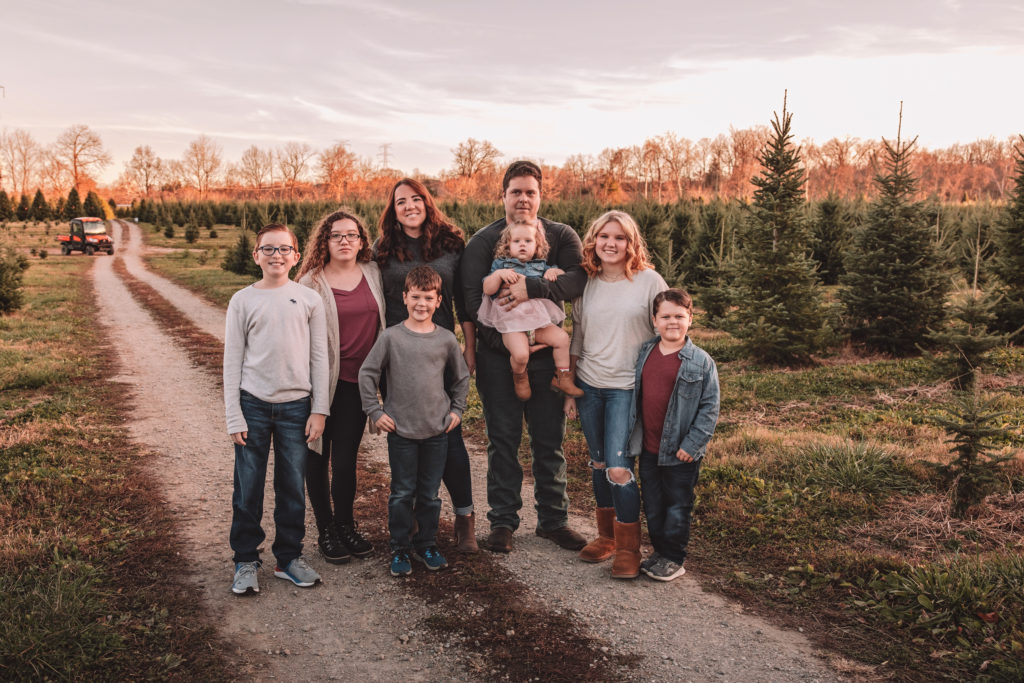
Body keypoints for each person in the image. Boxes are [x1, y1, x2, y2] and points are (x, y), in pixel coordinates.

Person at [461, 160, 587, 553]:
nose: (523, 198)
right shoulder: (485, 242)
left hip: (548, 356)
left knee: (549, 441)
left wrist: (532, 288)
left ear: (540, 195)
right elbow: (468, 299)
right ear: (502, 195)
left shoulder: (561, 235)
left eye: (530, 191)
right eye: (515, 191)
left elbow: (576, 279)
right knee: (503, 440)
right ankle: (503, 523)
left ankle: (554, 520)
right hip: (501, 356)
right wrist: (508, 345)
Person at [374, 178, 479, 552]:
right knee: (409, 436)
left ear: (427, 202)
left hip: (442, 351)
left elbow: (465, 300)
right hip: (400, 355)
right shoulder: (382, 250)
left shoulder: (451, 244)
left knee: (449, 436)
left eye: (416, 199)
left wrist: (469, 344)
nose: (409, 206)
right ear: (393, 209)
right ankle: (416, 518)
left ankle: (465, 517)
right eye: (401, 201)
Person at [224, 223, 329, 594]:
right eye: (268, 249)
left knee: (291, 487)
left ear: (296, 256)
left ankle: (288, 558)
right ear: (256, 256)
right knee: (247, 487)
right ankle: (246, 560)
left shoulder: (308, 300)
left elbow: (320, 358)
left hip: (296, 409)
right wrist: (233, 413)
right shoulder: (243, 300)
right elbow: (232, 360)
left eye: (284, 249)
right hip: (253, 405)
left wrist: (320, 409)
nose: (276, 256)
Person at [564, 211, 667, 579]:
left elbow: (668, 328)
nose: (611, 243)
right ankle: (606, 537)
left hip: (626, 388)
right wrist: (571, 388)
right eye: (604, 236)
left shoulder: (648, 281)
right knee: (598, 463)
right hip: (590, 385)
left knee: (619, 467)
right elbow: (576, 335)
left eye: (620, 237)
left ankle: (628, 547)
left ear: (631, 243)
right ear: (594, 240)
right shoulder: (586, 283)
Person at [358, 266, 470, 576]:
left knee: (430, 494)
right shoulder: (391, 337)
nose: (422, 304)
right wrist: (375, 411)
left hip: (436, 430)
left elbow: (461, 379)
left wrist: (457, 411)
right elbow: (367, 373)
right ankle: (400, 548)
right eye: (416, 297)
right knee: (402, 492)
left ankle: (426, 544)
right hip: (402, 431)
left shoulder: (446, 340)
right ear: (405, 297)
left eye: (429, 298)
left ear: (438, 302)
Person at [297, 209, 385, 565]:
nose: (345, 241)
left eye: (352, 235)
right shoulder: (311, 283)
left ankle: (346, 525)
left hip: (355, 384)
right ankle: (326, 530)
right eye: (337, 235)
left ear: (362, 241)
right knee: (316, 457)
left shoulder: (374, 274)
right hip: (317, 384)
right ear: (326, 241)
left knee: (346, 461)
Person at [628, 289, 720, 582]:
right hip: (650, 449)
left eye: (679, 316)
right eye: (665, 316)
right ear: (655, 320)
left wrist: (692, 445)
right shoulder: (646, 352)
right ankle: (659, 552)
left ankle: (674, 558)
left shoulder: (700, 361)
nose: (672, 322)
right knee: (653, 504)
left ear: (690, 319)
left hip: (681, 452)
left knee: (678, 505)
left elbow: (709, 408)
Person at [477, 220, 584, 401]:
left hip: (537, 322)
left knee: (562, 339)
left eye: (528, 241)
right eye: (517, 241)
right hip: (512, 324)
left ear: (537, 246)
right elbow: (487, 289)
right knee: (520, 355)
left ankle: (562, 376)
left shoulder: (540, 266)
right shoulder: (500, 265)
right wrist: (498, 275)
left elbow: (563, 276)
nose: (522, 245)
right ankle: (520, 376)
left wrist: (554, 273)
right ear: (507, 245)